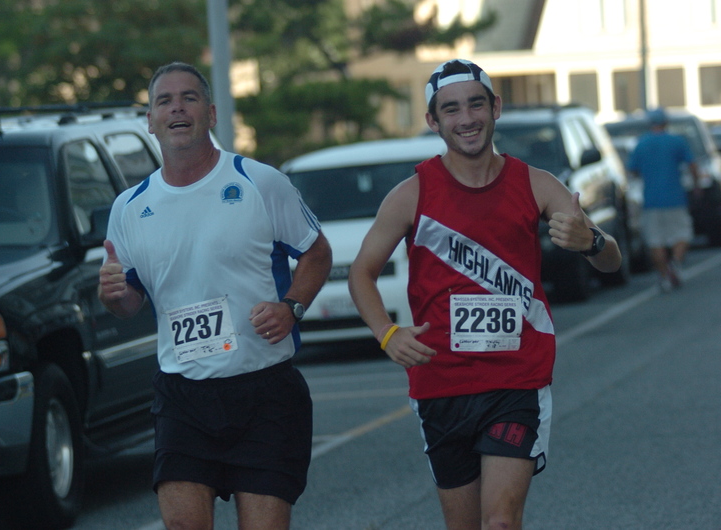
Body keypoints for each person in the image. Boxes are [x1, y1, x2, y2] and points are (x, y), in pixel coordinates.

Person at [347, 59, 622, 530]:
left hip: (517, 379)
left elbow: (611, 259)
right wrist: (386, 333)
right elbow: (361, 273)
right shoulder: (411, 194)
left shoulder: (536, 183)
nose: (466, 118)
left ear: (496, 108)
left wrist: (592, 242)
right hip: (441, 383)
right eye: (451, 110)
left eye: (476, 104)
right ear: (433, 121)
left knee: (499, 522)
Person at [98, 61, 332, 530]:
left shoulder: (258, 182)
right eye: (164, 101)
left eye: (188, 98)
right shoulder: (130, 207)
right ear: (150, 121)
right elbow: (130, 303)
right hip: (182, 396)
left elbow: (317, 252)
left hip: (263, 389)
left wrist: (292, 308)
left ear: (211, 112)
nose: (176, 108)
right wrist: (113, 295)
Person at [626, 107, 703, 292]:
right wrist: (696, 185)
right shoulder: (676, 141)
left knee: (655, 241)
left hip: (651, 200)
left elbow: (633, 170)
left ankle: (664, 276)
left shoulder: (641, 144)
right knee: (682, 234)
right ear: (666, 122)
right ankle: (675, 264)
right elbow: (692, 165)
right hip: (675, 198)